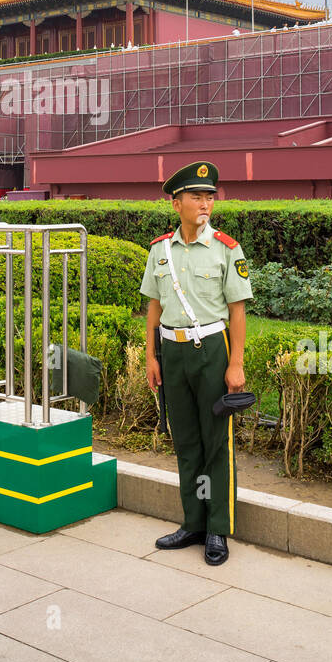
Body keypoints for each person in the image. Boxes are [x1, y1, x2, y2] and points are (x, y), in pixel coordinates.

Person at [140, 161, 253, 567]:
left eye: (209, 197)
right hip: (172, 352)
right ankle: (193, 522)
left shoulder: (226, 248)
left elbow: (237, 311)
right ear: (177, 204)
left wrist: (235, 363)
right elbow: (153, 305)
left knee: (215, 443)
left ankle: (217, 529)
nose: (205, 203)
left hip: (211, 351)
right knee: (185, 441)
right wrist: (151, 356)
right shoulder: (160, 250)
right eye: (196, 197)